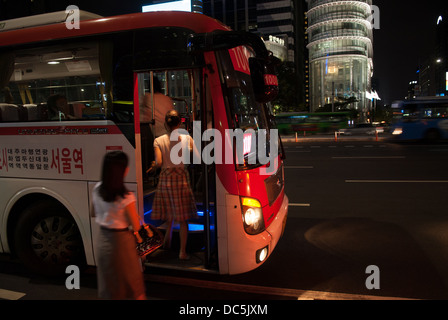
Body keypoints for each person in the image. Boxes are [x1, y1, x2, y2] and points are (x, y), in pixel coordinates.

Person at [92, 151, 147, 300]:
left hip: (103, 241)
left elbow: (93, 213)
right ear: (124, 171)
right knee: (132, 286)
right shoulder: (126, 197)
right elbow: (136, 226)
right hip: (121, 243)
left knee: (110, 287)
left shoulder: (97, 189)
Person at [148, 110, 198, 260]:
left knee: (169, 215)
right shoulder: (186, 137)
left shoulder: (158, 140)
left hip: (165, 178)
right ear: (180, 123)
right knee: (183, 219)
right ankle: (182, 252)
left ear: (165, 123)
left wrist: (153, 165)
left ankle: (166, 243)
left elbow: (159, 163)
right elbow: (196, 157)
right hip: (181, 177)